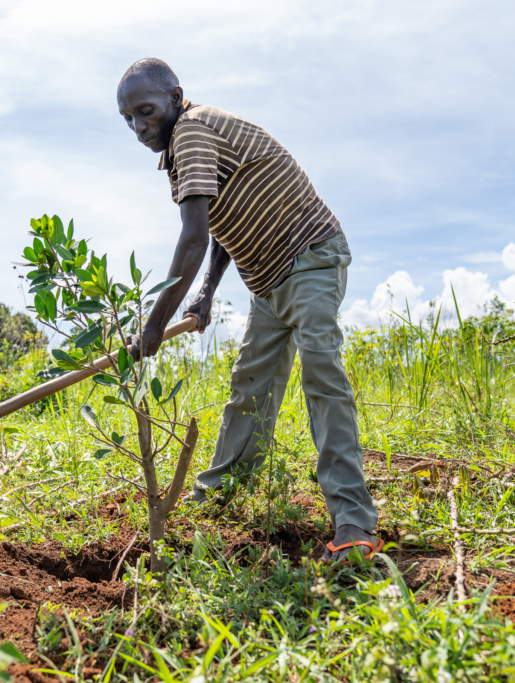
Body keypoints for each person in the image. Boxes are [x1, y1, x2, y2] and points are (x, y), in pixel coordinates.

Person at [117, 58, 382, 563]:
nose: (138, 127)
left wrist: (153, 326)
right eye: (128, 119)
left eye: (146, 111)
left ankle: (352, 520)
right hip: (268, 280)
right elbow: (220, 220)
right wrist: (207, 293)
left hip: (309, 257)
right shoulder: (184, 144)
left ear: (175, 97)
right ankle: (218, 498)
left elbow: (193, 238)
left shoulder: (191, 132)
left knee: (322, 375)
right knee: (250, 389)